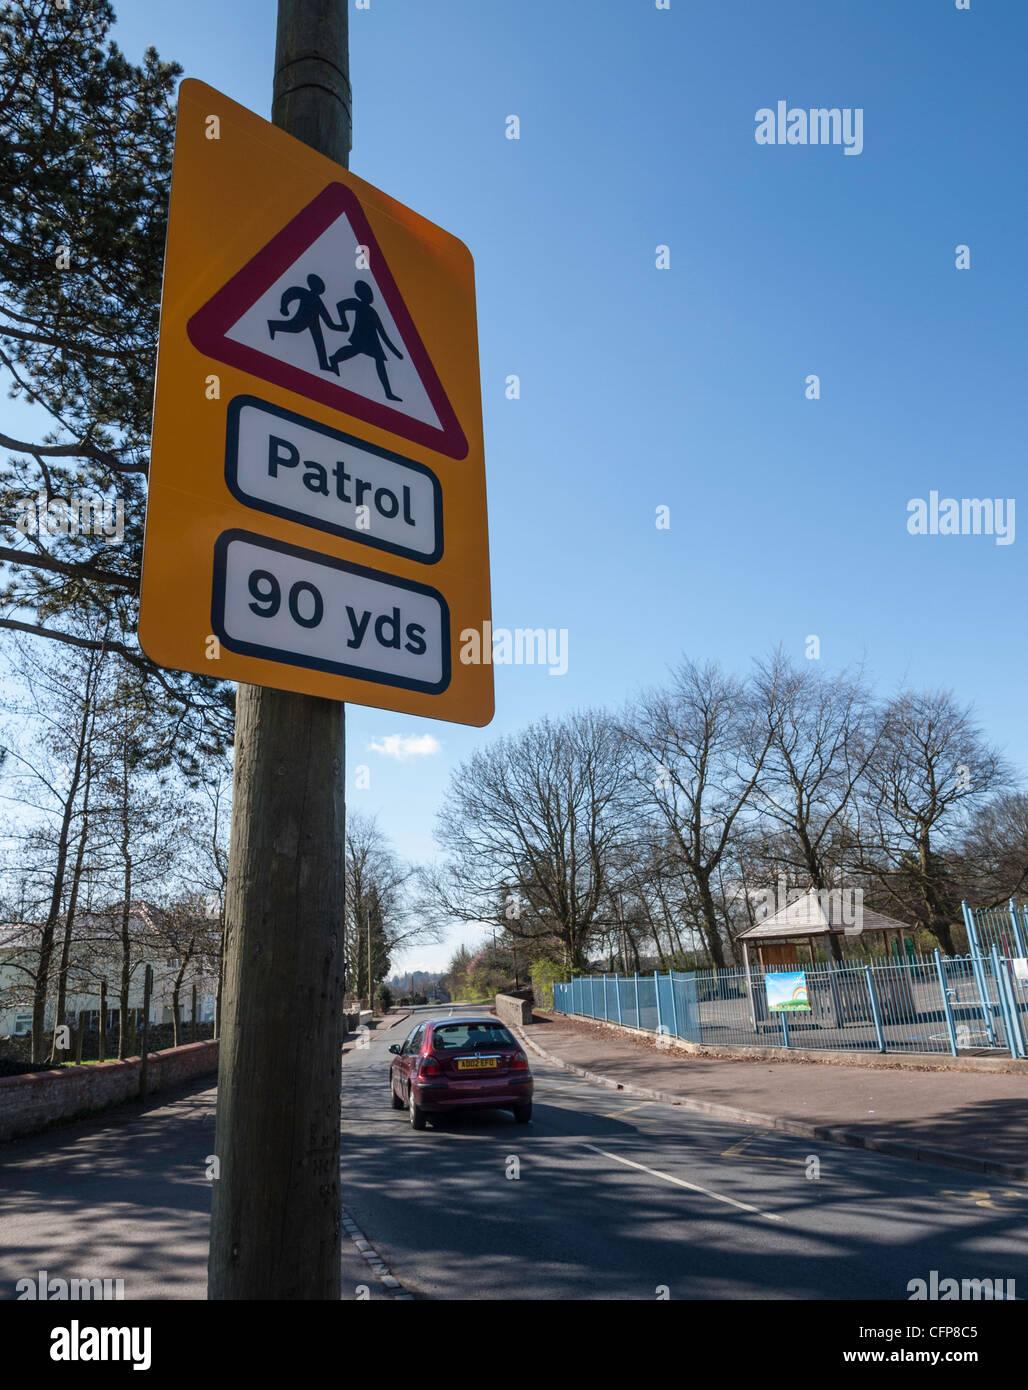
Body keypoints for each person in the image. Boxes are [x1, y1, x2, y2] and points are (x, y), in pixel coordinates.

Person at [327, 279, 404, 401]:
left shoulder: (372, 312)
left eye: (370, 293)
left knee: (378, 361)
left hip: (372, 340)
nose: (371, 296)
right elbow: (340, 305)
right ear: (361, 294)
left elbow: (383, 333)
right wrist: (344, 323)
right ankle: (334, 358)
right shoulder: (358, 304)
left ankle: (388, 392)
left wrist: (396, 352)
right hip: (361, 336)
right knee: (353, 350)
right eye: (367, 293)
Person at [267, 274, 338, 373]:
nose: (320, 289)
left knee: (319, 342)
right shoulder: (305, 293)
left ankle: (323, 364)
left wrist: (338, 327)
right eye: (319, 286)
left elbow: (327, 319)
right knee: (294, 328)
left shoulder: (317, 300)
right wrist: (284, 307)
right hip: (303, 319)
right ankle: (273, 325)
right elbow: (289, 294)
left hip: (314, 323)